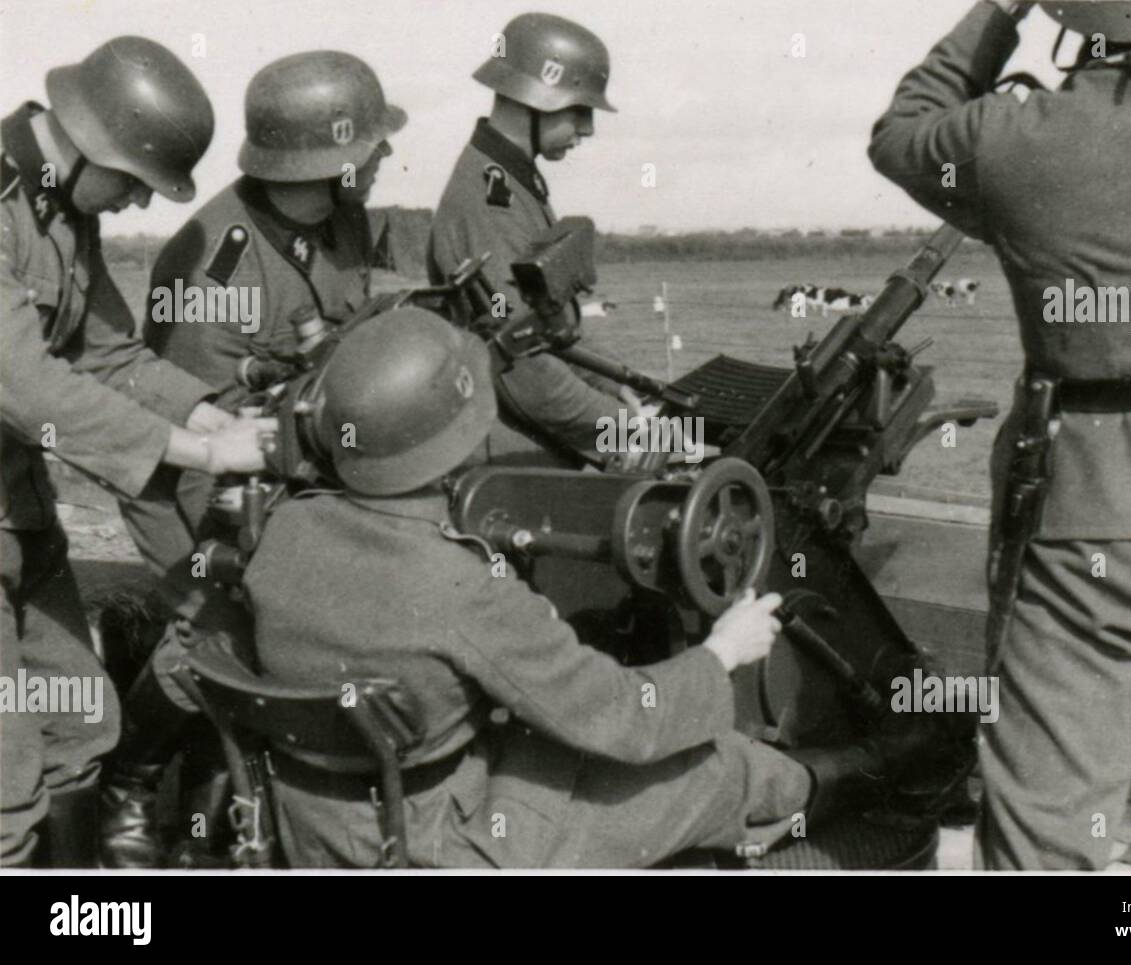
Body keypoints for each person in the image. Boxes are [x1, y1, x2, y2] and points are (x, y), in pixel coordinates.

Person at [244, 307, 897, 868]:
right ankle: (860, 776)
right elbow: (625, 718)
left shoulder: (285, 530)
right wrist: (722, 651)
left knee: (552, 728)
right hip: (445, 843)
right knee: (718, 767)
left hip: (315, 824)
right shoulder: (460, 587)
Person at [869, 1, 1131, 868]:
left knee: (1048, 826)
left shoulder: (1015, 138)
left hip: (1084, 511)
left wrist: (997, 11)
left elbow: (901, 132)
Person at [98, 50, 405, 868]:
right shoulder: (218, 265)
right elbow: (184, 423)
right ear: (336, 161)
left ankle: (218, 797)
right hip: (188, 473)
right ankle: (129, 784)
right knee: (214, 625)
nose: (384, 159)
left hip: (285, 466)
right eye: (373, 148)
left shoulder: (341, 222)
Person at [0, 36, 273, 867]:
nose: (131, 207)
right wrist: (198, 452)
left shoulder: (61, 209)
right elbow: (24, 385)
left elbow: (107, 352)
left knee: (81, 721)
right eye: (132, 183)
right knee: (5, 780)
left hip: (20, 516)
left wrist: (218, 419)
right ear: (92, 143)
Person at [428, 12, 633, 464]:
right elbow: (527, 371)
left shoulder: (512, 183)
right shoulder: (489, 202)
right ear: (535, 98)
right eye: (580, 110)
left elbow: (553, 325)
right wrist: (629, 430)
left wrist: (620, 384)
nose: (587, 129)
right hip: (507, 453)